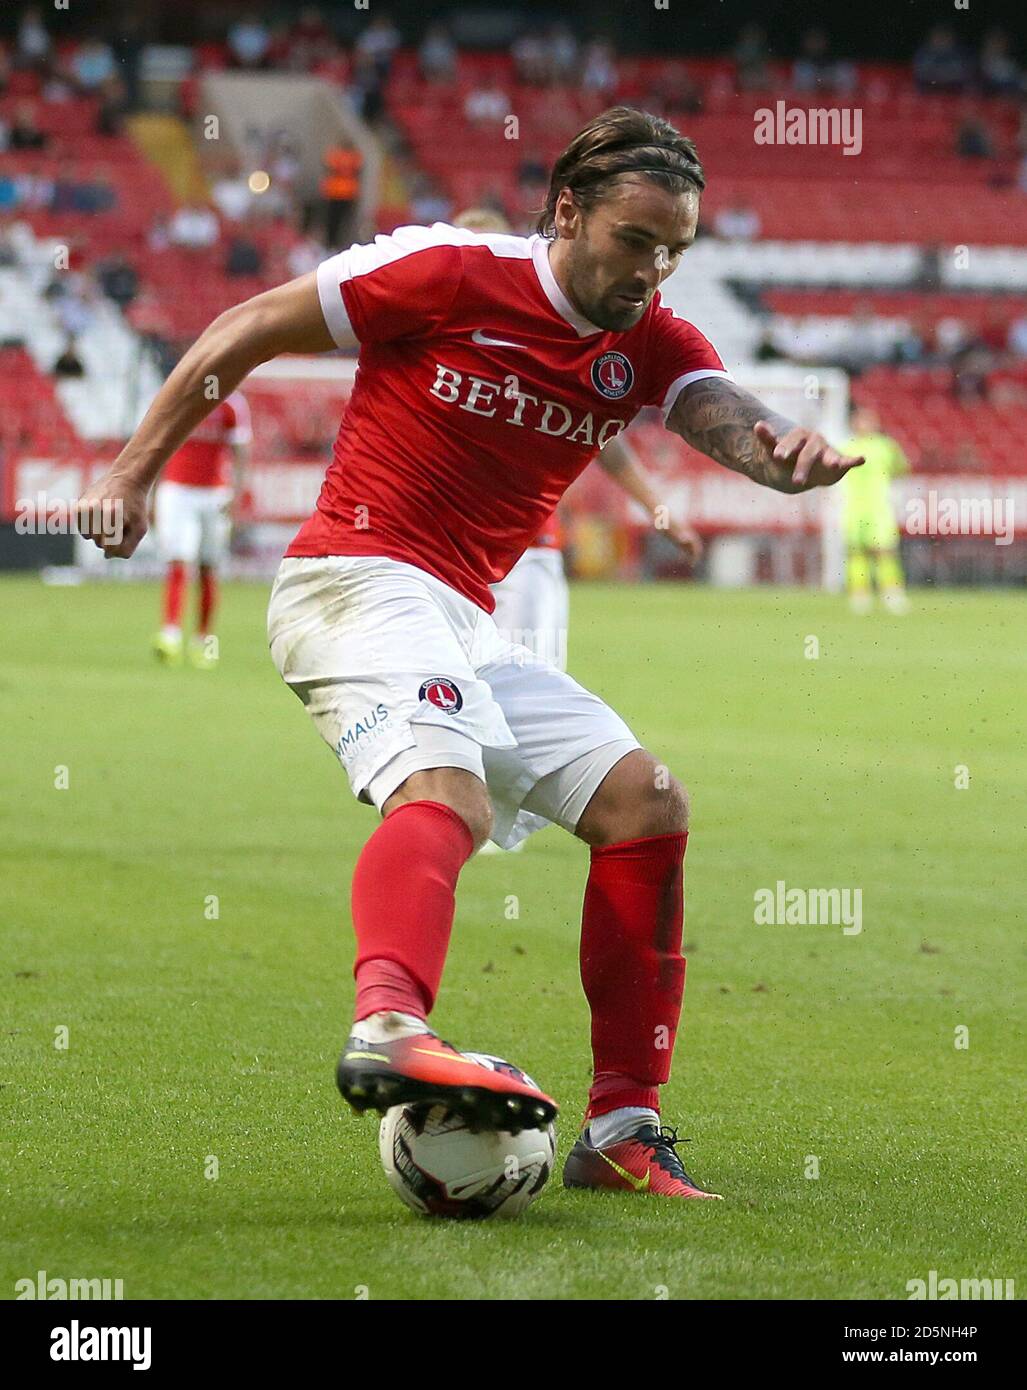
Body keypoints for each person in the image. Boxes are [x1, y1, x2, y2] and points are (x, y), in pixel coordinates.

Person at [77, 106, 862, 1200]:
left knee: (647, 800)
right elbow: (248, 325)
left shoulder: (650, 337)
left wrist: (774, 453)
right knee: (448, 786)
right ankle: (390, 1022)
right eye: (635, 239)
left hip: (466, 616)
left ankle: (624, 1125)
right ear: (569, 210)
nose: (652, 268)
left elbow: (714, 405)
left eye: (675, 247)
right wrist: (131, 470)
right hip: (353, 575)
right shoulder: (445, 271)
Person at [151, 391, 252, 668]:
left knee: (209, 567)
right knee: (178, 559)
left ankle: (203, 641)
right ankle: (170, 634)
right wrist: (153, 494)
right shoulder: (182, 395)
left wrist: (236, 495)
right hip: (177, 491)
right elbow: (161, 444)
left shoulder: (232, 404)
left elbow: (241, 450)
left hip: (215, 495)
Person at [839, 404, 909, 615]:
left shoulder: (886, 446)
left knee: (885, 551)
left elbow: (902, 468)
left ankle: (892, 594)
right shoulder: (846, 447)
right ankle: (859, 595)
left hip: (879, 507)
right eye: (860, 420)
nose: (864, 425)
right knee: (856, 552)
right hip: (853, 506)